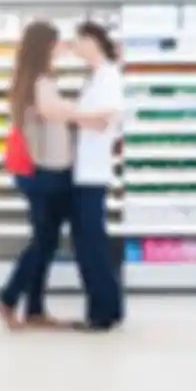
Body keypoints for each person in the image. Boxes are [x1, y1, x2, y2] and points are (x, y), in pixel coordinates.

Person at [0, 21, 109, 330]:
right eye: (58, 43)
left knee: (45, 240)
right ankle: (8, 299)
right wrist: (87, 116)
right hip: (45, 171)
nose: (63, 47)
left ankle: (34, 309)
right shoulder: (41, 79)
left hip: (41, 170)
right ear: (46, 45)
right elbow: (49, 111)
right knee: (43, 241)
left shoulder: (29, 77)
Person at [67, 21, 125, 331]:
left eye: (78, 41)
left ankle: (101, 313)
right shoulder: (95, 76)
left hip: (93, 172)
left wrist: (69, 114)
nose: (75, 48)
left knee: (91, 244)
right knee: (90, 242)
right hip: (85, 170)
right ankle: (107, 308)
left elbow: (105, 119)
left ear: (92, 41)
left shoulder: (108, 76)